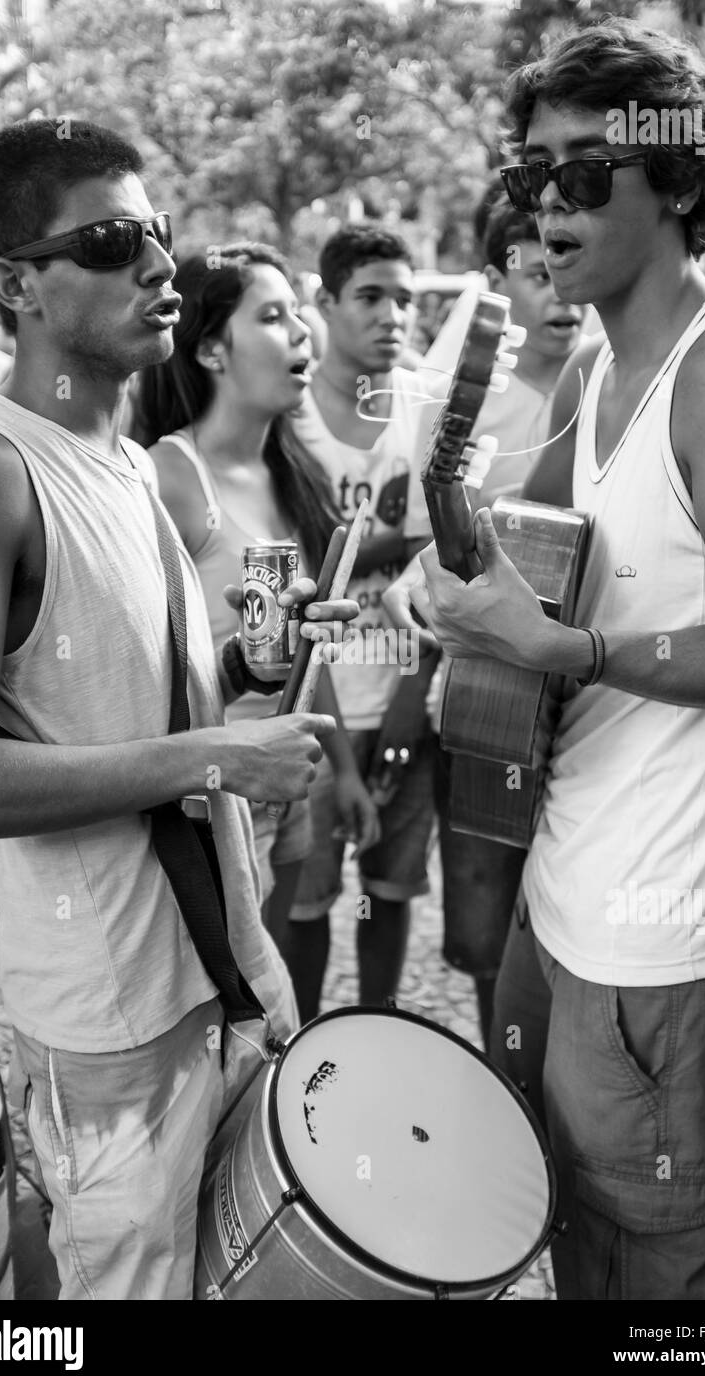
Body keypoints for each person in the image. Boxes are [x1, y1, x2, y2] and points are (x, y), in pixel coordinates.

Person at [0, 118, 356, 1300]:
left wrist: (247, 667)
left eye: (158, 234)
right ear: (16, 283)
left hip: (219, 959)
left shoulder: (120, 457)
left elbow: (114, 702)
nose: (161, 265)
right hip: (109, 1004)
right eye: (115, 240)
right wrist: (217, 753)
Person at [410, 19, 705, 1300]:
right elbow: (490, 545)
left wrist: (564, 644)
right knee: (580, 1240)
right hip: (566, 895)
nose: (544, 202)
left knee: (667, 1277)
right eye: (530, 173)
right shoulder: (589, 361)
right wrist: (442, 587)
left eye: (584, 171)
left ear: (678, 185)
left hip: (666, 937)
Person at [137, 246, 378, 952]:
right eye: (273, 316)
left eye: (299, 312)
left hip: (290, 783)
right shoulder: (168, 477)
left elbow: (309, 646)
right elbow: (139, 670)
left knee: (286, 997)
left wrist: (347, 772)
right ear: (211, 350)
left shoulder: (293, 472)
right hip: (211, 798)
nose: (303, 331)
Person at [398, 199, 586, 1068]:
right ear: (498, 284)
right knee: (481, 912)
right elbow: (419, 561)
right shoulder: (463, 407)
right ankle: (505, 1077)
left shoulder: (619, 383)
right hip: (487, 695)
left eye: (565, 268)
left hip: (592, 700)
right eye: (535, 273)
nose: (560, 295)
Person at [285, 223, 436, 1019]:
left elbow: (447, 563)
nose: (392, 317)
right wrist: (398, 539)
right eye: (371, 297)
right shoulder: (292, 416)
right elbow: (304, 574)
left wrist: (417, 692)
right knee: (305, 904)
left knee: (391, 890)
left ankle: (379, 1038)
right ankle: (303, 1053)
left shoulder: (426, 409)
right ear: (325, 302)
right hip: (316, 709)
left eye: (405, 300)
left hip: (406, 691)